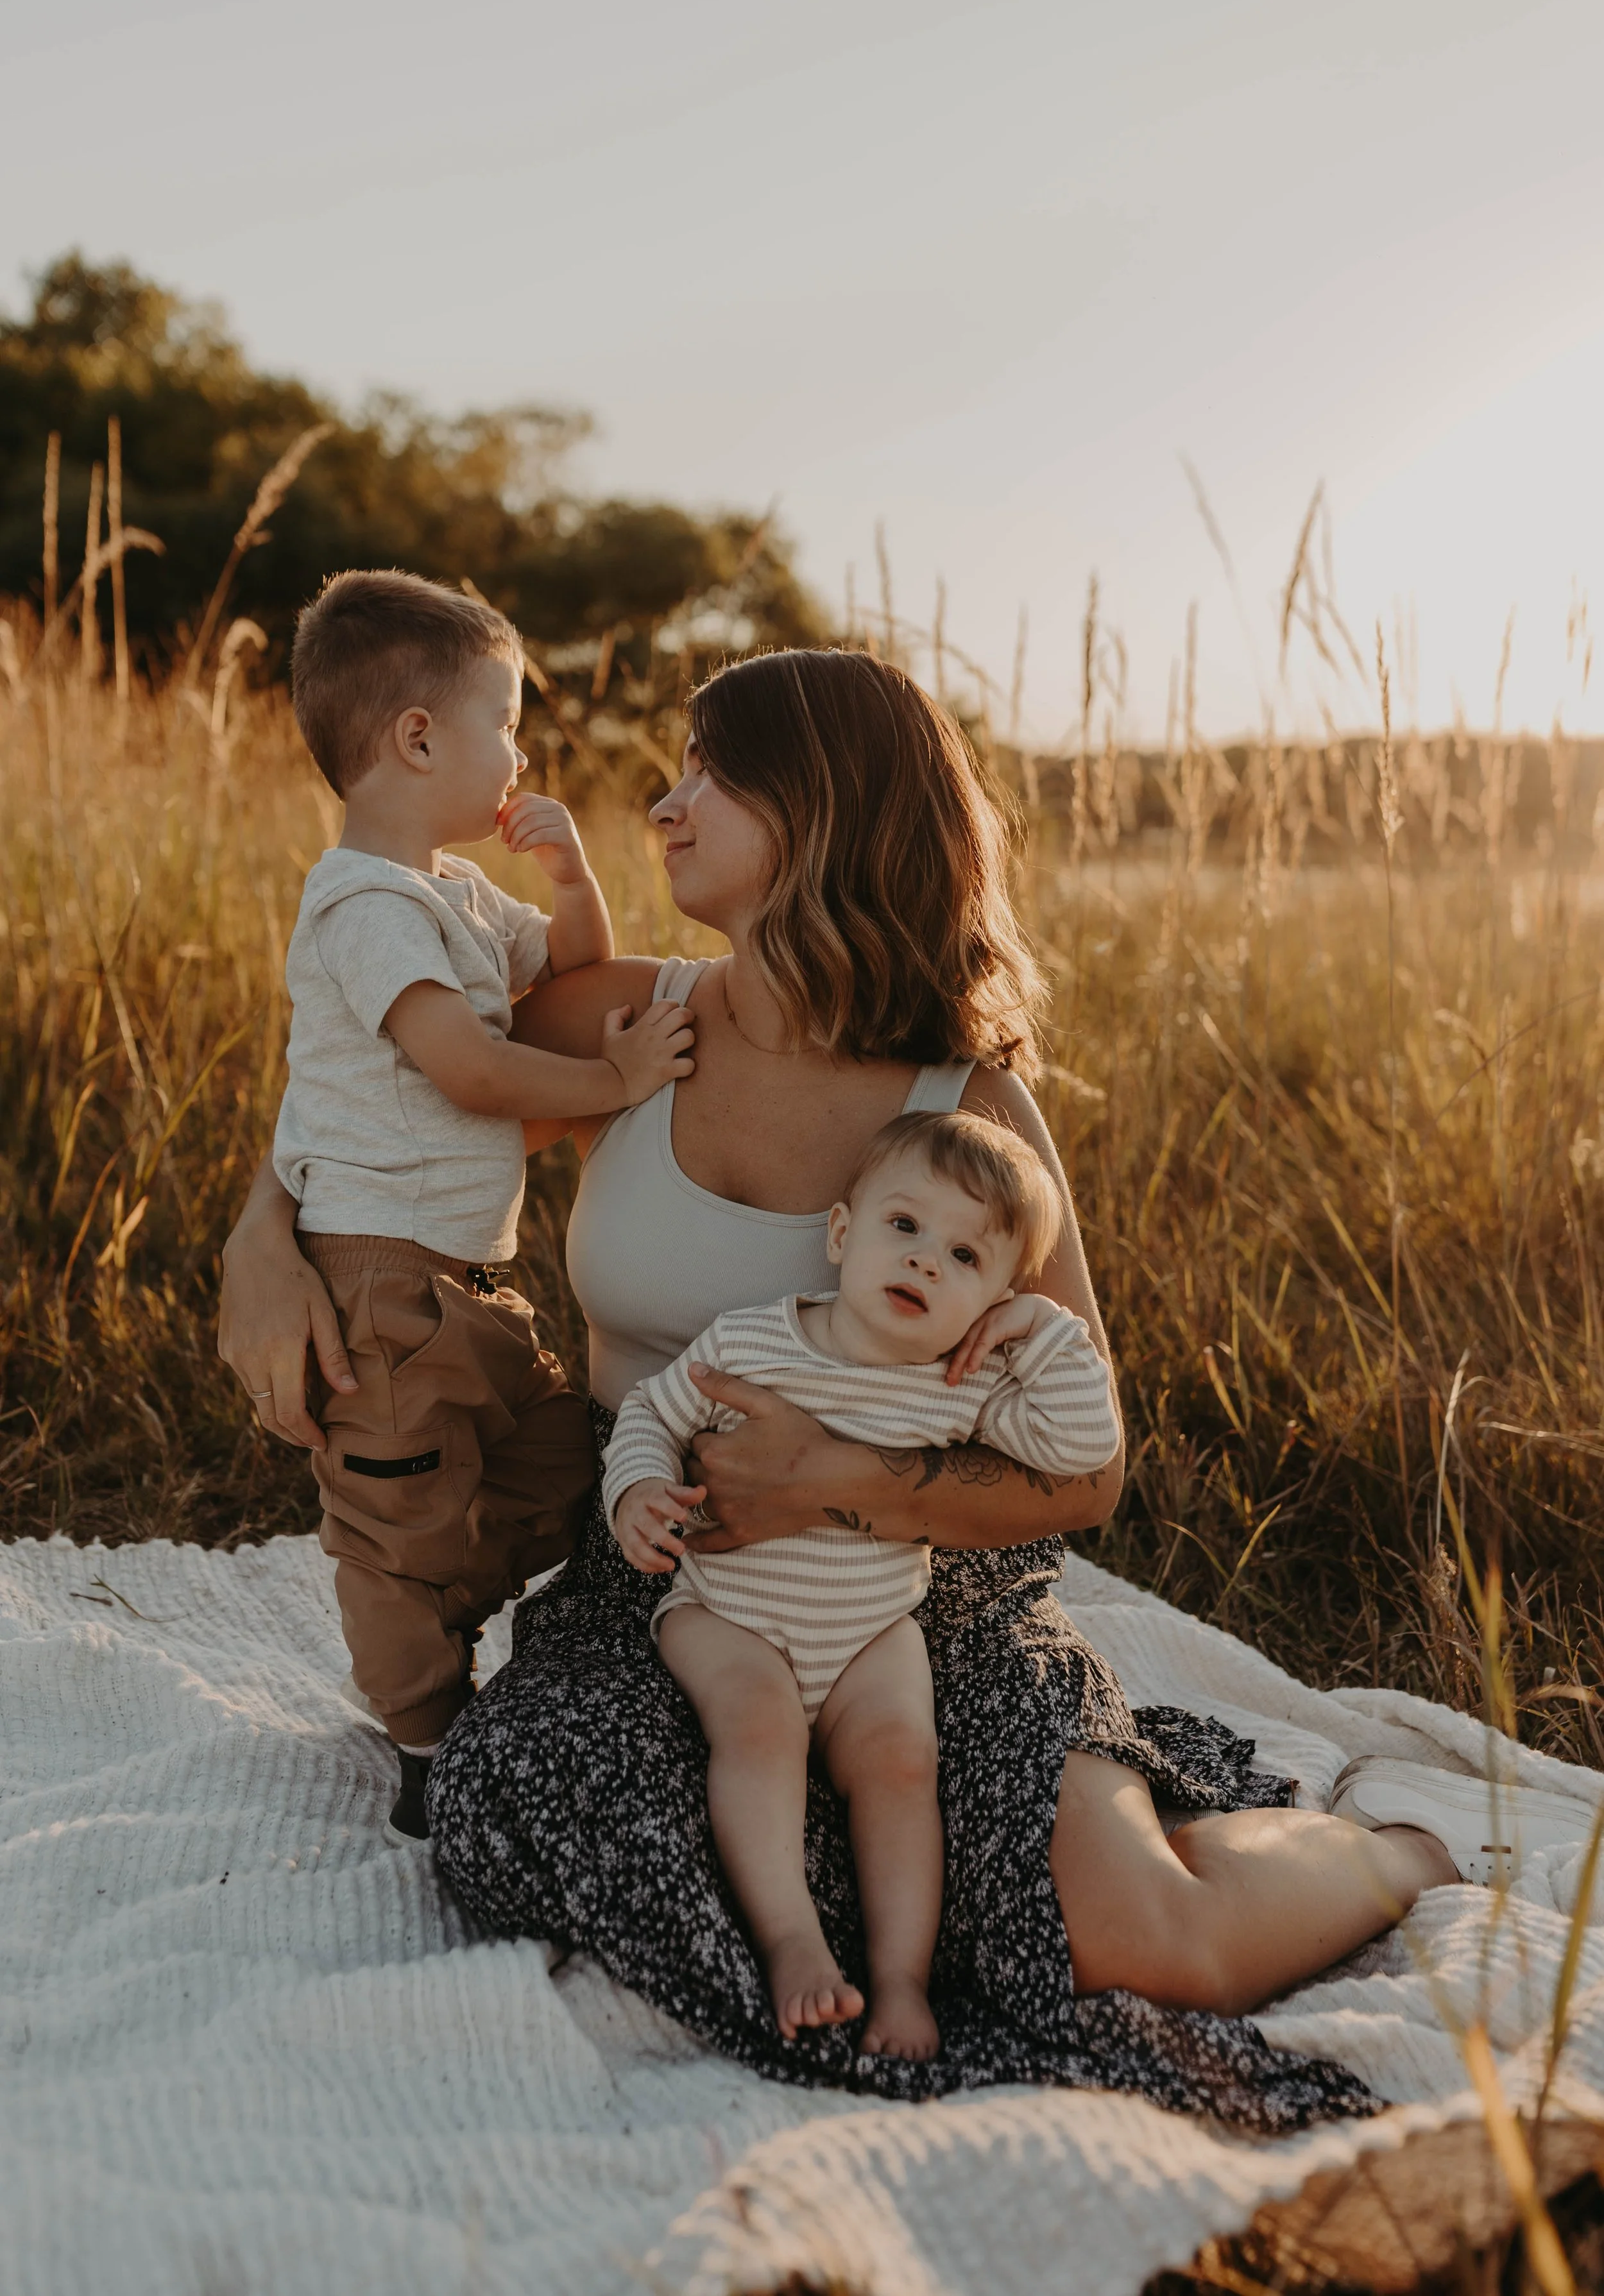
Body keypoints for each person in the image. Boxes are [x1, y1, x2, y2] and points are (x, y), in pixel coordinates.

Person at [219, 647, 1587, 2122]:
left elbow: (1087, 1467)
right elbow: (362, 1089)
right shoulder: (630, 1021)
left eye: (705, 775)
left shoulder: (966, 1109)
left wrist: (840, 1482)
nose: (661, 806)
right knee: (527, 1809)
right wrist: (263, 1241)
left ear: (816, 812)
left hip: (912, 1593)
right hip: (660, 1574)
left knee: (1146, 1946)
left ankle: (1384, 1848)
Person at [270, 570, 694, 1837]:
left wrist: (569, 881)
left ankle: (482, 1622)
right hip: (379, 1286)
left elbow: (567, 978)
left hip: (463, 1280)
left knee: (552, 1457)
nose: (518, 752)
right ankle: (422, 1736)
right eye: (505, 722)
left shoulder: (452, 894)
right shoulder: (361, 904)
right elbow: (466, 1065)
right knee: (398, 1521)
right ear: (416, 738)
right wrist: (612, 1077)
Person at [605, 1108, 1120, 2059]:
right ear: (843, 1234)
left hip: (870, 1623)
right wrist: (636, 1487)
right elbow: (652, 1410)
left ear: (995, 1296)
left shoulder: (963, 1383)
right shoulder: (755, 1341)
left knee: (900, 1764)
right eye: (905, 1227)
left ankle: (898, 1981)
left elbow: (1086, 1445)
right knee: (758, 1724)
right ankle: (793, 1939)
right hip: (731, 1607)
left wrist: (1041, 1328)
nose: (927, 1261)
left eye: (968, 1258)